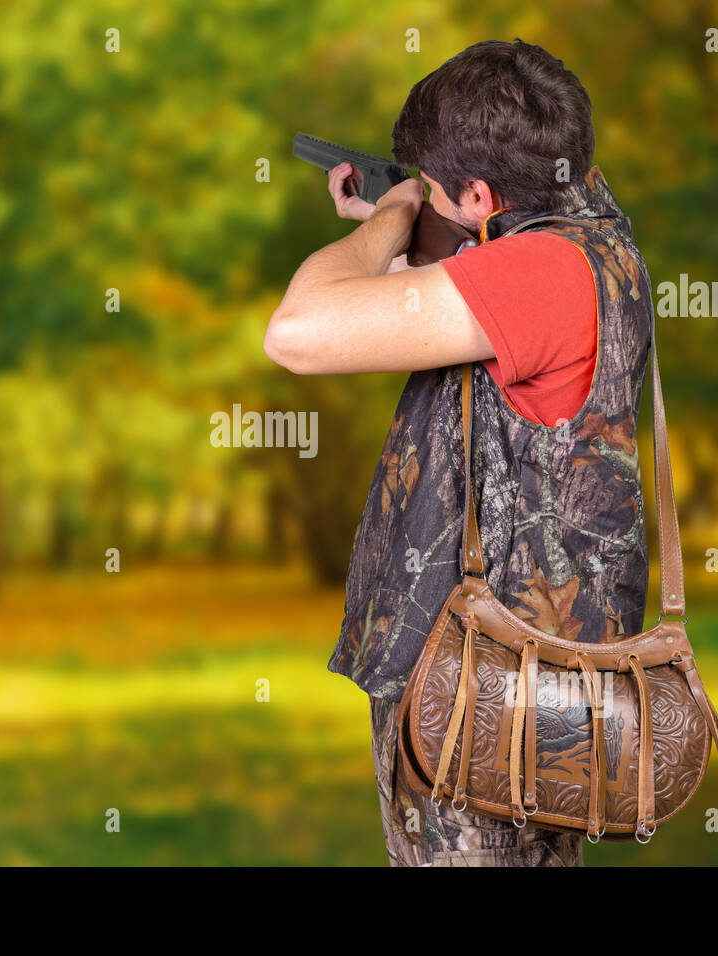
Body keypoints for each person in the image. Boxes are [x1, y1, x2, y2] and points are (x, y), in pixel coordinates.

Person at [264, 39, 656, 866]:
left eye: (444, 186)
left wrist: (394, 215)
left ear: (478, 194)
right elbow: (473, 303)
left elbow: (294, 333)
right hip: (540, 690)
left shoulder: (540, 274)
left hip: (477, 705)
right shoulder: (593, 235)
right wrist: (424, 225)